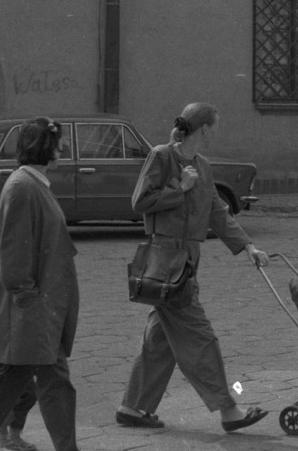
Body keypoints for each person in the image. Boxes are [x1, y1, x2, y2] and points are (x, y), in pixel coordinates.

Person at [117, 103, 271, 434]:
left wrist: (247, 246)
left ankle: (132, 407)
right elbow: (139, 201)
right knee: (200, 337)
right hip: (166, 260)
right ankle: (229, 410)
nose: (215, 133)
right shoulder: (162, 156)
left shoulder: (202, 164)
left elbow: (216, 208)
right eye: (213, 128)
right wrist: (180, 189)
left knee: (161, 341)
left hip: (186, 259)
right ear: (203, 129)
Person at [0, 118, 81, 451]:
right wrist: (28, 297)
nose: (63, 148)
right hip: (31, 305)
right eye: (58, 143)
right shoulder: (23, 186)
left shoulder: (33, 183)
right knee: (55, 381)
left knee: (15, 376)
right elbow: (13, 248)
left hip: (39, 302)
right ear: (44, 146)